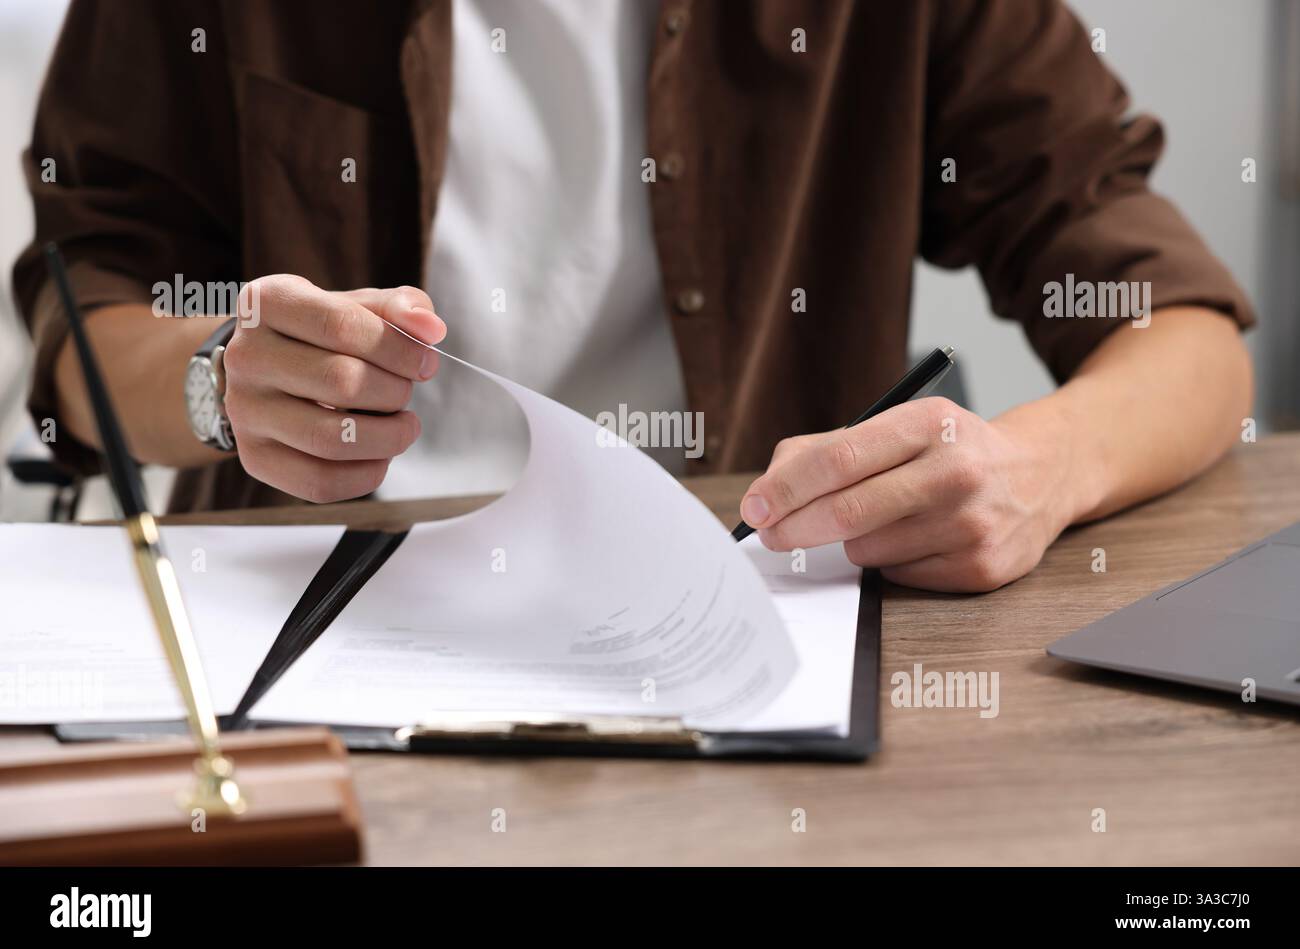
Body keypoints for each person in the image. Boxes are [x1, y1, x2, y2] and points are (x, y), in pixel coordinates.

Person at [13, 0, 1254, 593]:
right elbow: (86, 312)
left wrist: (1035, 470)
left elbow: (1178, 321)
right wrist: (216, 382)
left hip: (749, 602)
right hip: (300, 607)